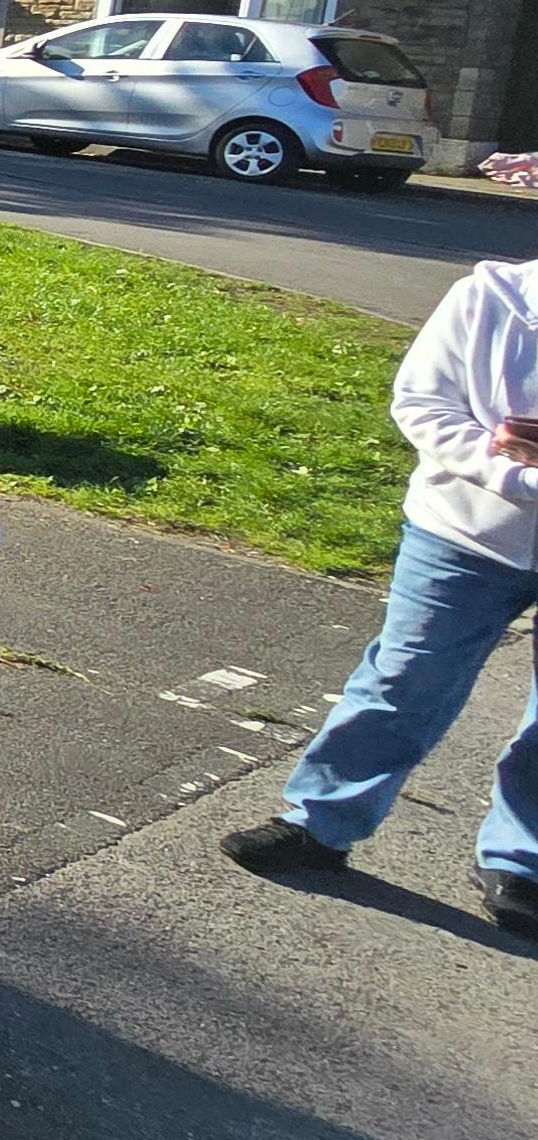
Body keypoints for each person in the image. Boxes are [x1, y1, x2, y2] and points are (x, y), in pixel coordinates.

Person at [225, 246, 538, 943]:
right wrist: (511, 473)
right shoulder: (492, 299)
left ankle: (522, 863)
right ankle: (319, 824)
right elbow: (423, 403)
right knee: (405, 681)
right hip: (465, 532)